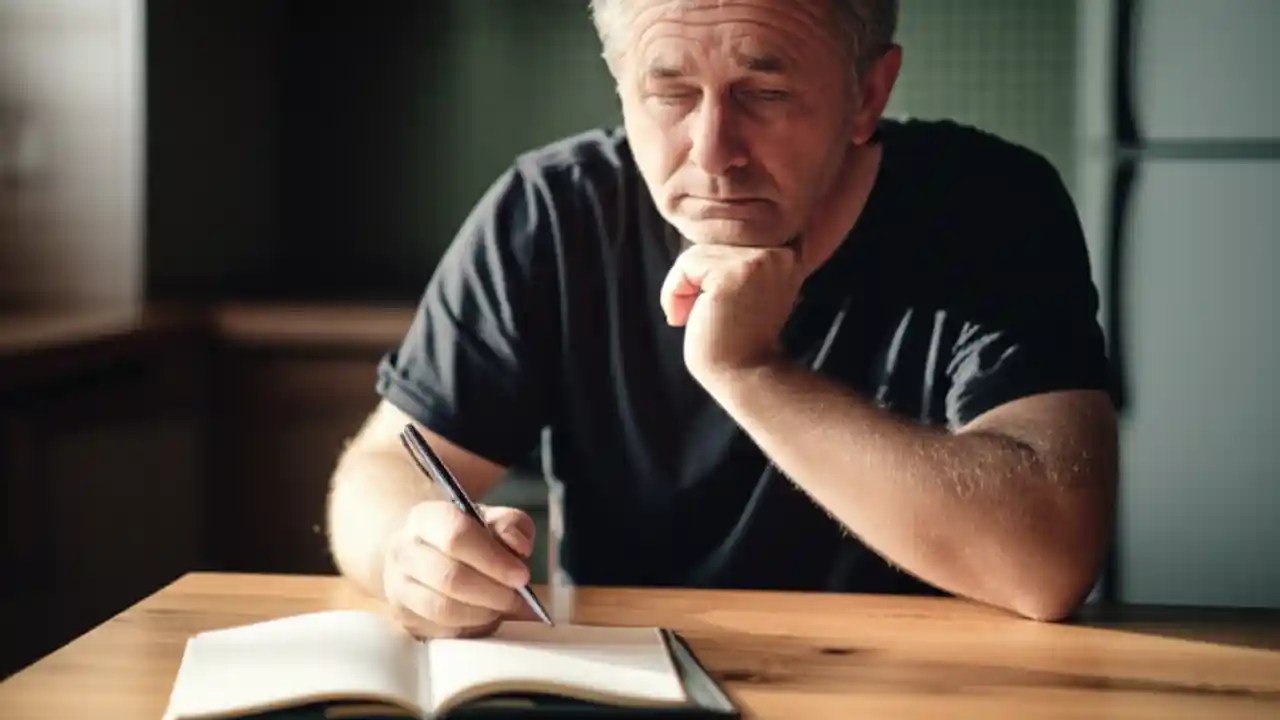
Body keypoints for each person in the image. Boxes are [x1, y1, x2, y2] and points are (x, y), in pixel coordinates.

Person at [326, 0, 1118, 638]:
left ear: (867, 93)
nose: (713, 152)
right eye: (669, 94)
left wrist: (751, 372)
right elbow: (380, 471)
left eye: (765, 94)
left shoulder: (990, 206)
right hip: (632, 690)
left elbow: (1047, 560)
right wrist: (409, 551)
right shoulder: (554, 212)